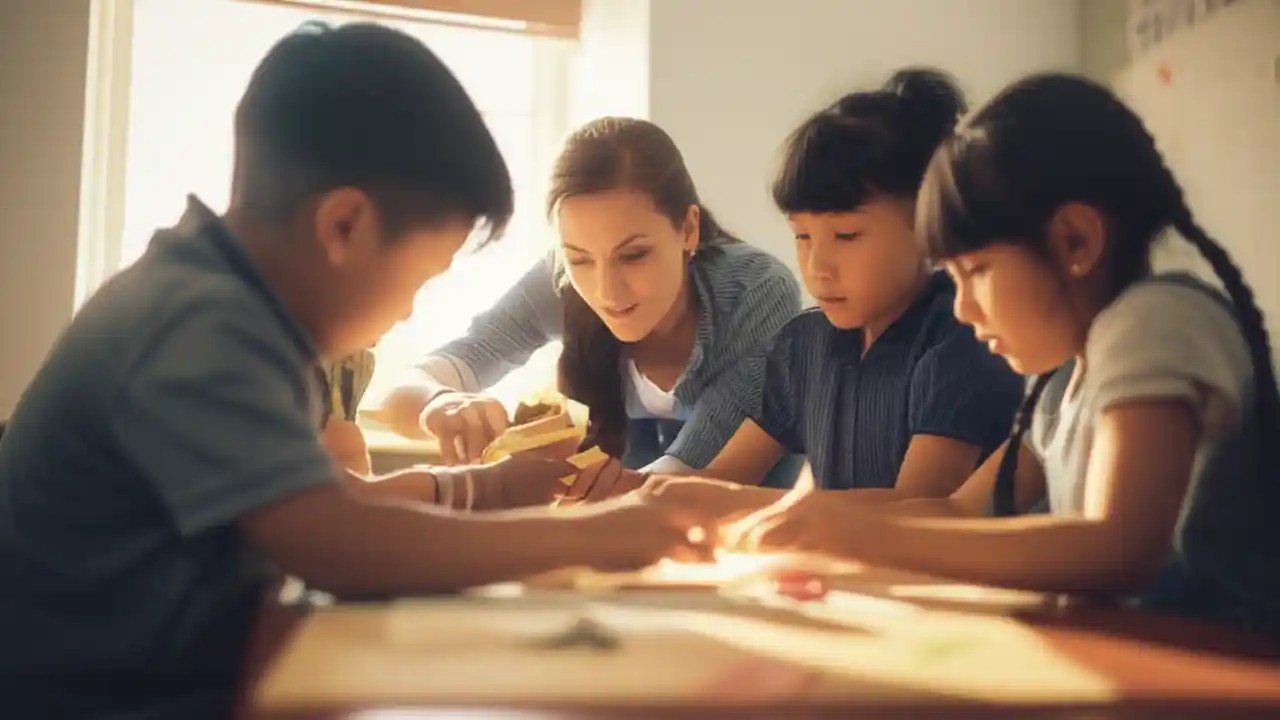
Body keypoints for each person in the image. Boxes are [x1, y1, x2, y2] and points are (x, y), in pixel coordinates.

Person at [0, 24, 700, 719]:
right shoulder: (200, 323)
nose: (405, 313)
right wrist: (593, 536)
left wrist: (489, 487)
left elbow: (334, 499)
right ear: (344, 226)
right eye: (421, 277)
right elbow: (335, 544)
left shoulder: (222, 303)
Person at [733, 74, 1280, 638]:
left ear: (1075, 242)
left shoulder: (1152, 321)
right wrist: (822, 521)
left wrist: (864, 536)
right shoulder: (1061, 382)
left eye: (977, 272)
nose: (964, 309)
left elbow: (1116, 548)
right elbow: (960, 512)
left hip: (1232, 669)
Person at [640, 70, 1022, 516]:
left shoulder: (962, 337)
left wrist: (732, 503)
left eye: (845, 235)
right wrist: (637, 491)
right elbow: (720, 479)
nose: (817, 268)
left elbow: (917, 508)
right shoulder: (804, 344)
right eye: (802, 237)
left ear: (927, 225)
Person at [380, 117, 801, 480]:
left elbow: (695, 468)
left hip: (758, 543)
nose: (606, 291)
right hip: (624, 544)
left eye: (634, 255)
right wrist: (440, 403)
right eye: (579, 258)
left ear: (688, 229)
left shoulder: (756, 290)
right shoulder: (557, 283)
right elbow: (399, 395)